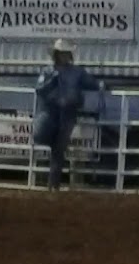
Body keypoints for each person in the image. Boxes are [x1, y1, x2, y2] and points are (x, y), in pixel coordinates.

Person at [32, 39, 106, 191]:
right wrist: (51, 81)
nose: (64, 56)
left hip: (68, 113)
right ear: (56, 55)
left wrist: (99, 84)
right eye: (61, 54)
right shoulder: (48, 71)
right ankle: (52, 183)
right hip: (50, 112)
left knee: (58, 149)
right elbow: (39, 89)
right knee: (40, 136)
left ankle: (53, 185)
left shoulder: (77, 72)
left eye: (66, 54)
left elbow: (91, 82)